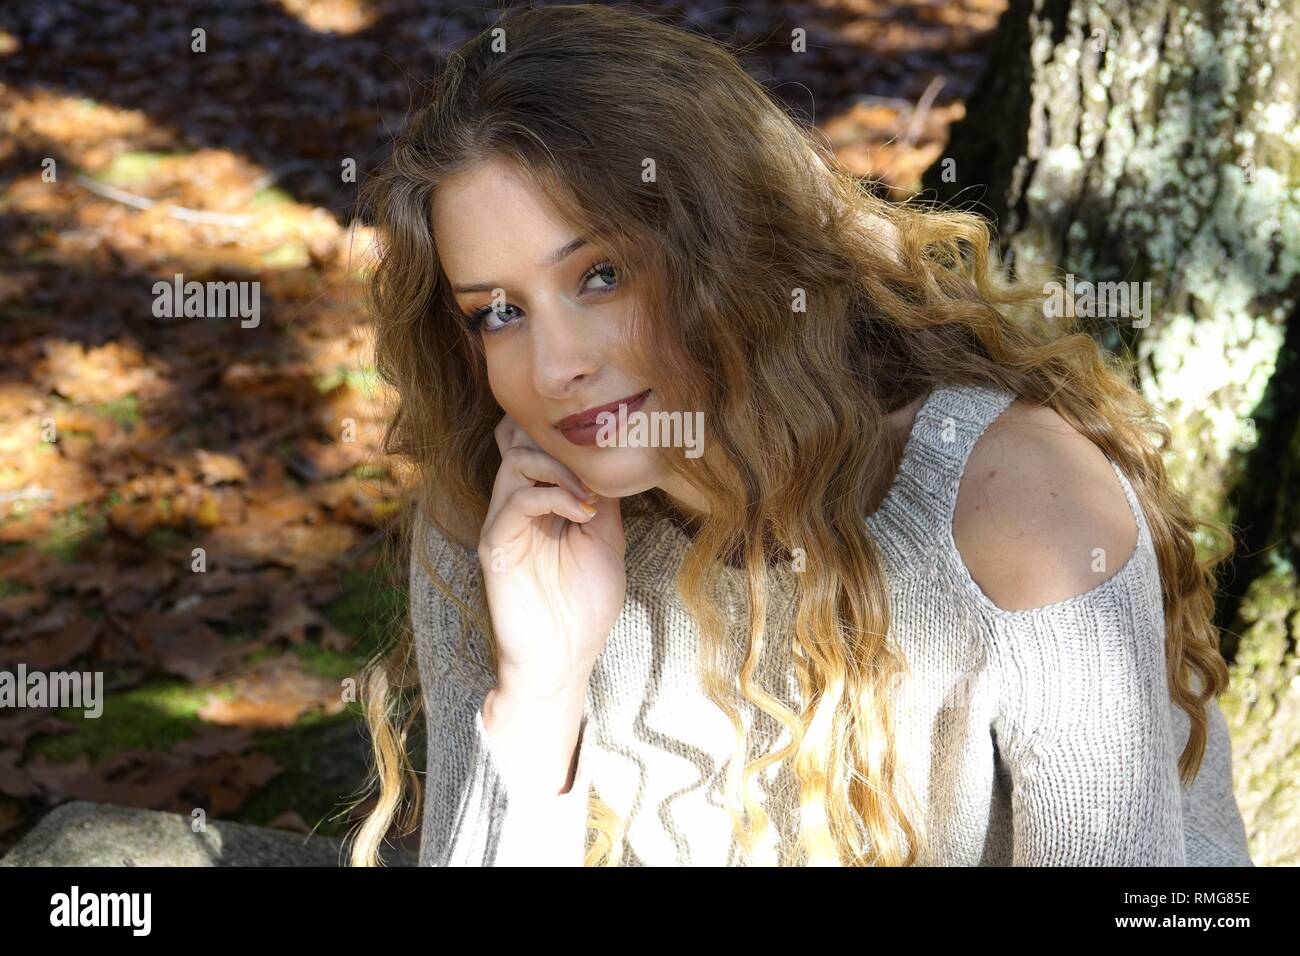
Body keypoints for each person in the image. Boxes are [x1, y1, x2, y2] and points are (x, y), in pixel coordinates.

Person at [345, 4, 1253, 866]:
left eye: (602, 274)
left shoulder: (1014, 502)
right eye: (497, 313)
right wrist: (539, 693)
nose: (553, 368)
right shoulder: (507, 519)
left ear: (729, 251)